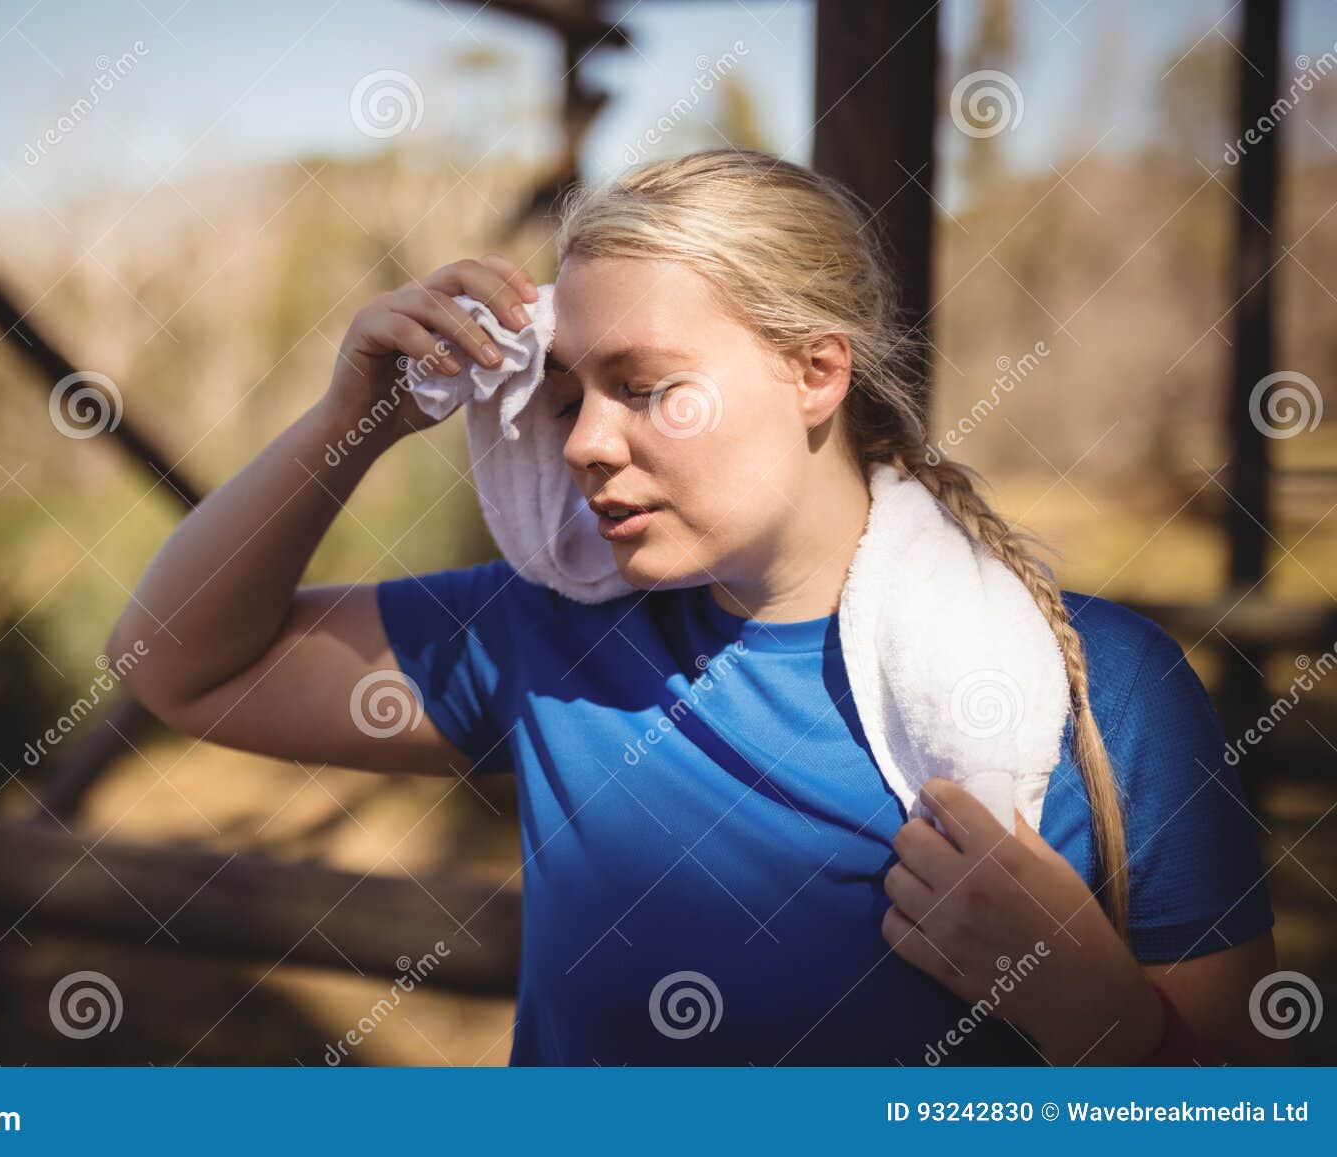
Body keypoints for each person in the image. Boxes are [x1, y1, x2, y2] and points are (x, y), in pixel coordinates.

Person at [107, 148, 1289, 1066]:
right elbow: (174, 662)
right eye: (566, 391)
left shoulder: (1106, 688)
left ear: (815, 370)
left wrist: (1106, 1023)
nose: (580, 442)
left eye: (642, 386)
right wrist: (348, 419)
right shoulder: (554, 631)